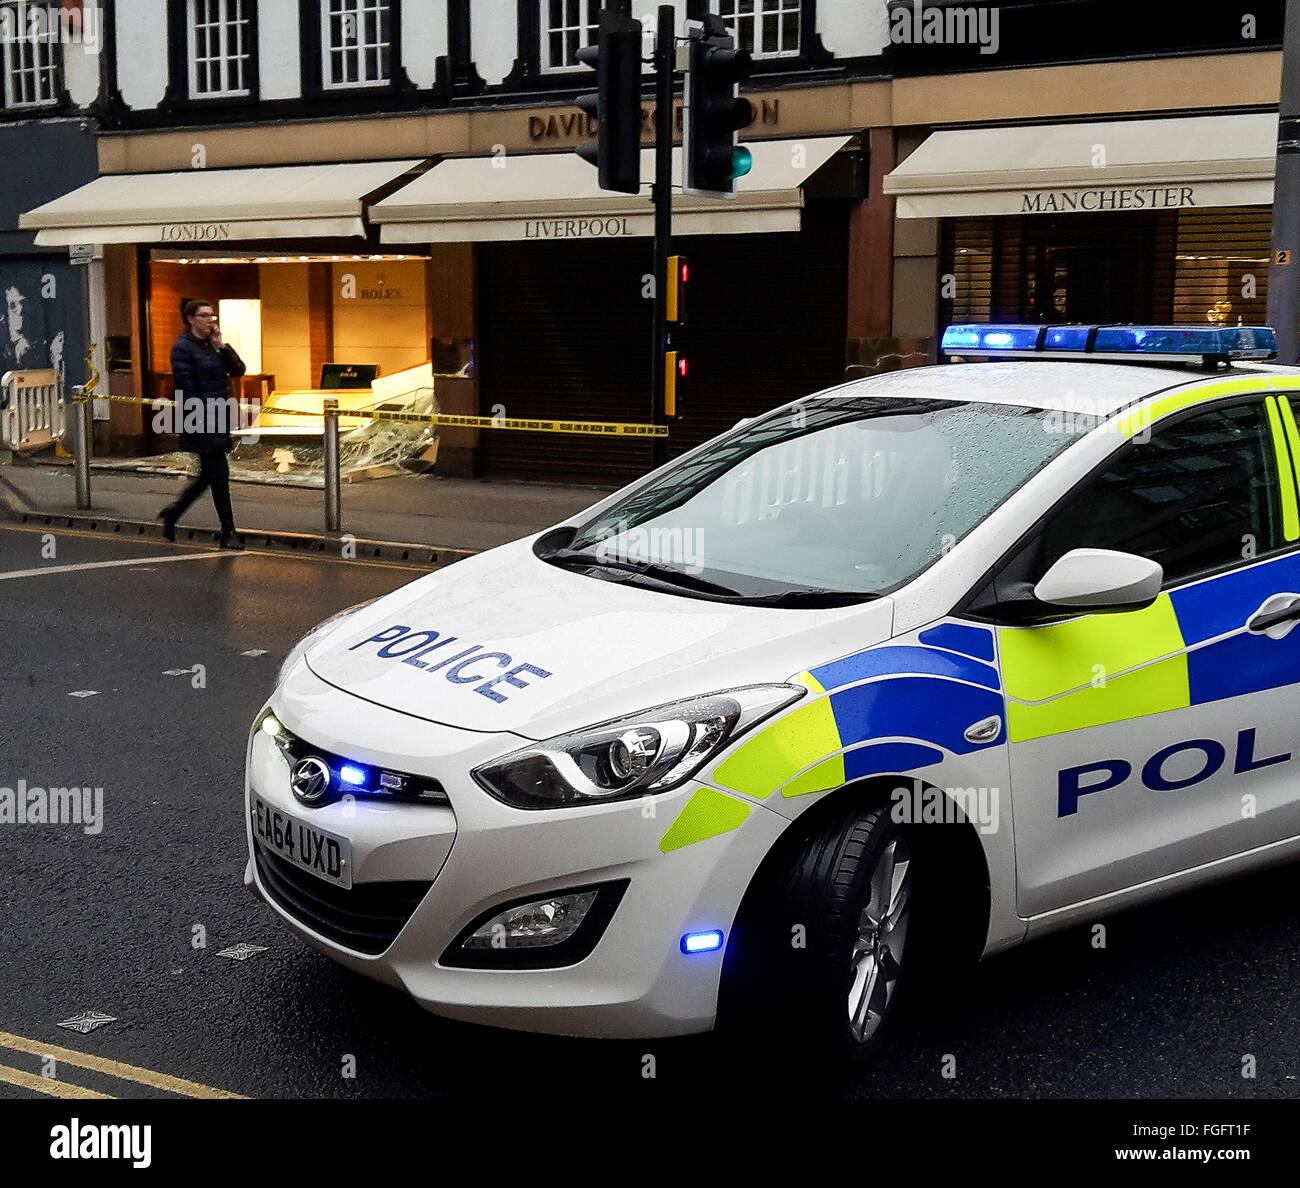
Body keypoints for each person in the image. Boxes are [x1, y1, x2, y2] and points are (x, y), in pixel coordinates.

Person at [158, 298, 247, 549]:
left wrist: (222, 347)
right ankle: (228, 532)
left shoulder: (212, 345)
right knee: (220, 474)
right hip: (199, 419)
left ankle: (173, 513)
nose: (210, 320)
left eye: (212, 316)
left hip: (218, 417)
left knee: (209, 475)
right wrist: (204, 419)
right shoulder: (182, 348)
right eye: (205, 316)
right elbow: (187, 387)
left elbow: (238, 370)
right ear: (191, 319)